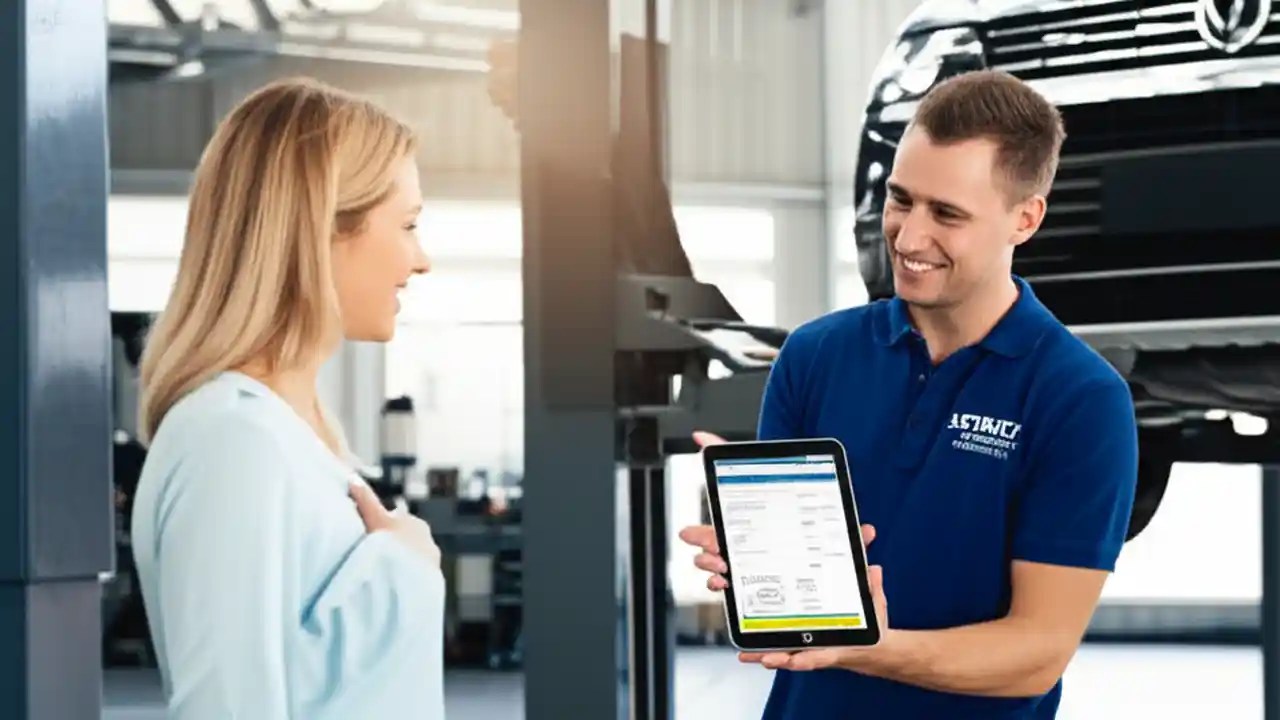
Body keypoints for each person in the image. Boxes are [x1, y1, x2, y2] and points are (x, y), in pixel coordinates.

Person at [680, 69, 1139, 718]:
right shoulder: (815, 356)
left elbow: (1037, 653)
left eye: (947, 214)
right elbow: (792, 597)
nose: (909, 237)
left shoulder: (1080, 399)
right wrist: (755, 562)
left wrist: (865, 644)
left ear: (1025, 219)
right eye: (901, 200)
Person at [129, 78, 446, 719]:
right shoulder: (231, 441)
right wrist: (405, 569)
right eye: (408, 225)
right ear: (321, 229)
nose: (422, 260)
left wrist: (402, 567)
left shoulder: (291, 435)